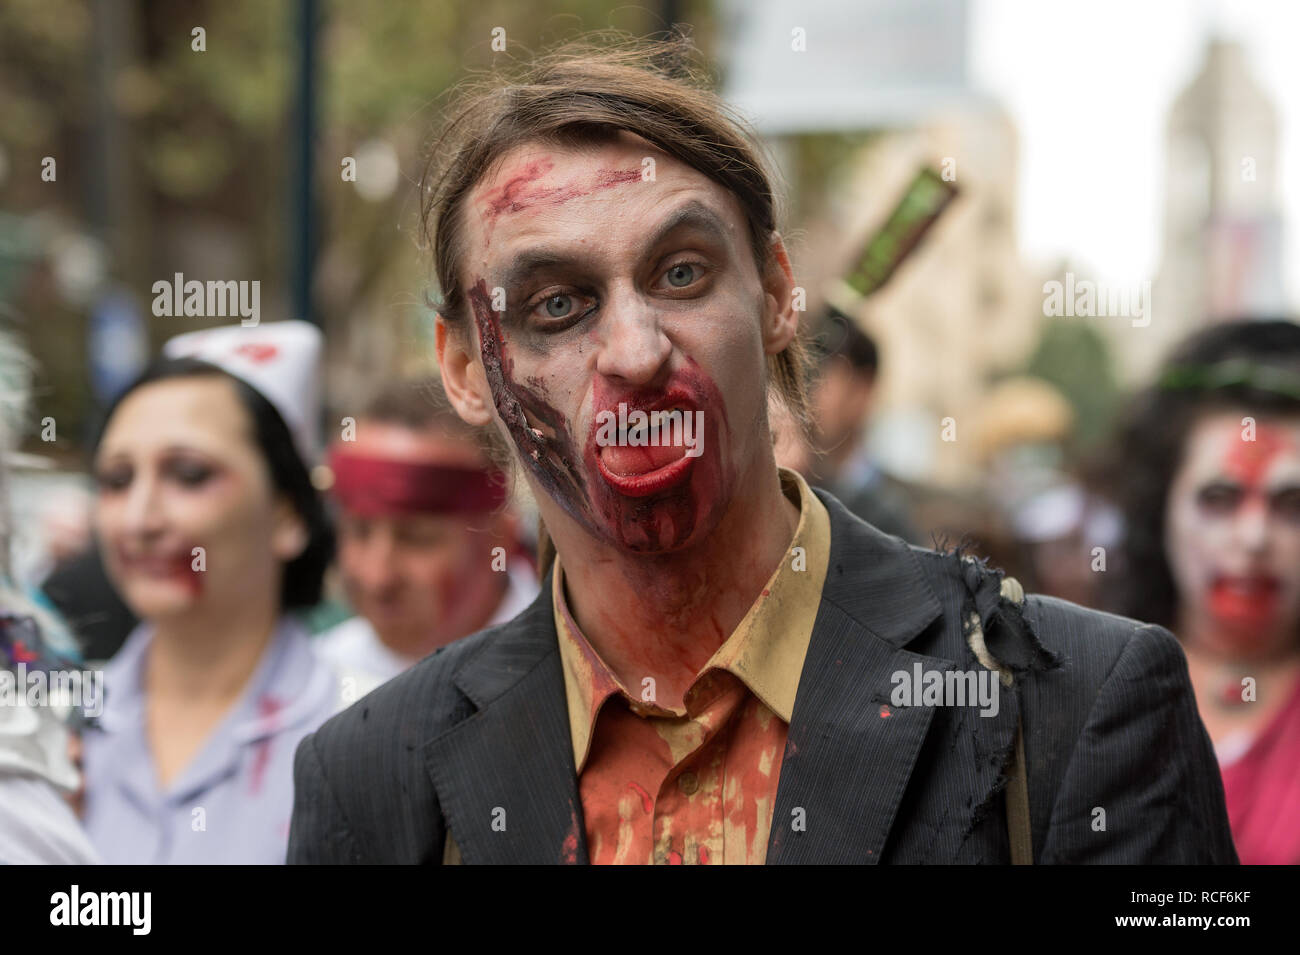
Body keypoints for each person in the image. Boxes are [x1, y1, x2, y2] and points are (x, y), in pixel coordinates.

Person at [288, 34, 1234, 865]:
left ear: (778, 292)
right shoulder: (374, 775)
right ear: (462, 368)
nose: (635, 351)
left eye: (682, 272)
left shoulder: (1074, 706)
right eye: (556, 306)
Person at [82, 320, 342, 864]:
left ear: (288, 513)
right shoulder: (53, 731)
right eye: (116, 479)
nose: (139, 520)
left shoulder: (369, 733)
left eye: (190, 474)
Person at [1106, 319, 1300, 865]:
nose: (1254, 538)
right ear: (1158, 506)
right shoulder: (1076, 688)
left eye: (1292, 505)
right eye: (1220, 498)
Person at [315, 378, 538, 698]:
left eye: (416, 539)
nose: (378, 577)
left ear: (499, 537)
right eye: (359, 531)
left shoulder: (568, 669)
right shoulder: (310, 684)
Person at [808, 311, 921, 544]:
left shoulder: (905, 512)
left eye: (818, 376)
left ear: (862, 391)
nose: (804, 391)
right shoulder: (782, 498)